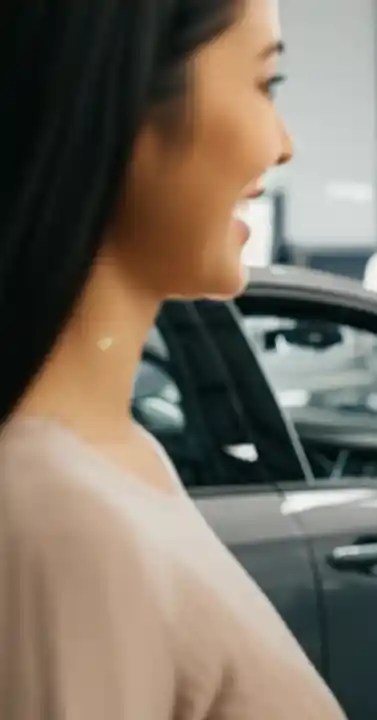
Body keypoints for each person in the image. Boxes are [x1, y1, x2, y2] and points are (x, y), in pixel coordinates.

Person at [0, 1, 346, 718]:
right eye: (264, 84)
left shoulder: (122, 460)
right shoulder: (56, 515)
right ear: (122, 105)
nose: (282, 145)